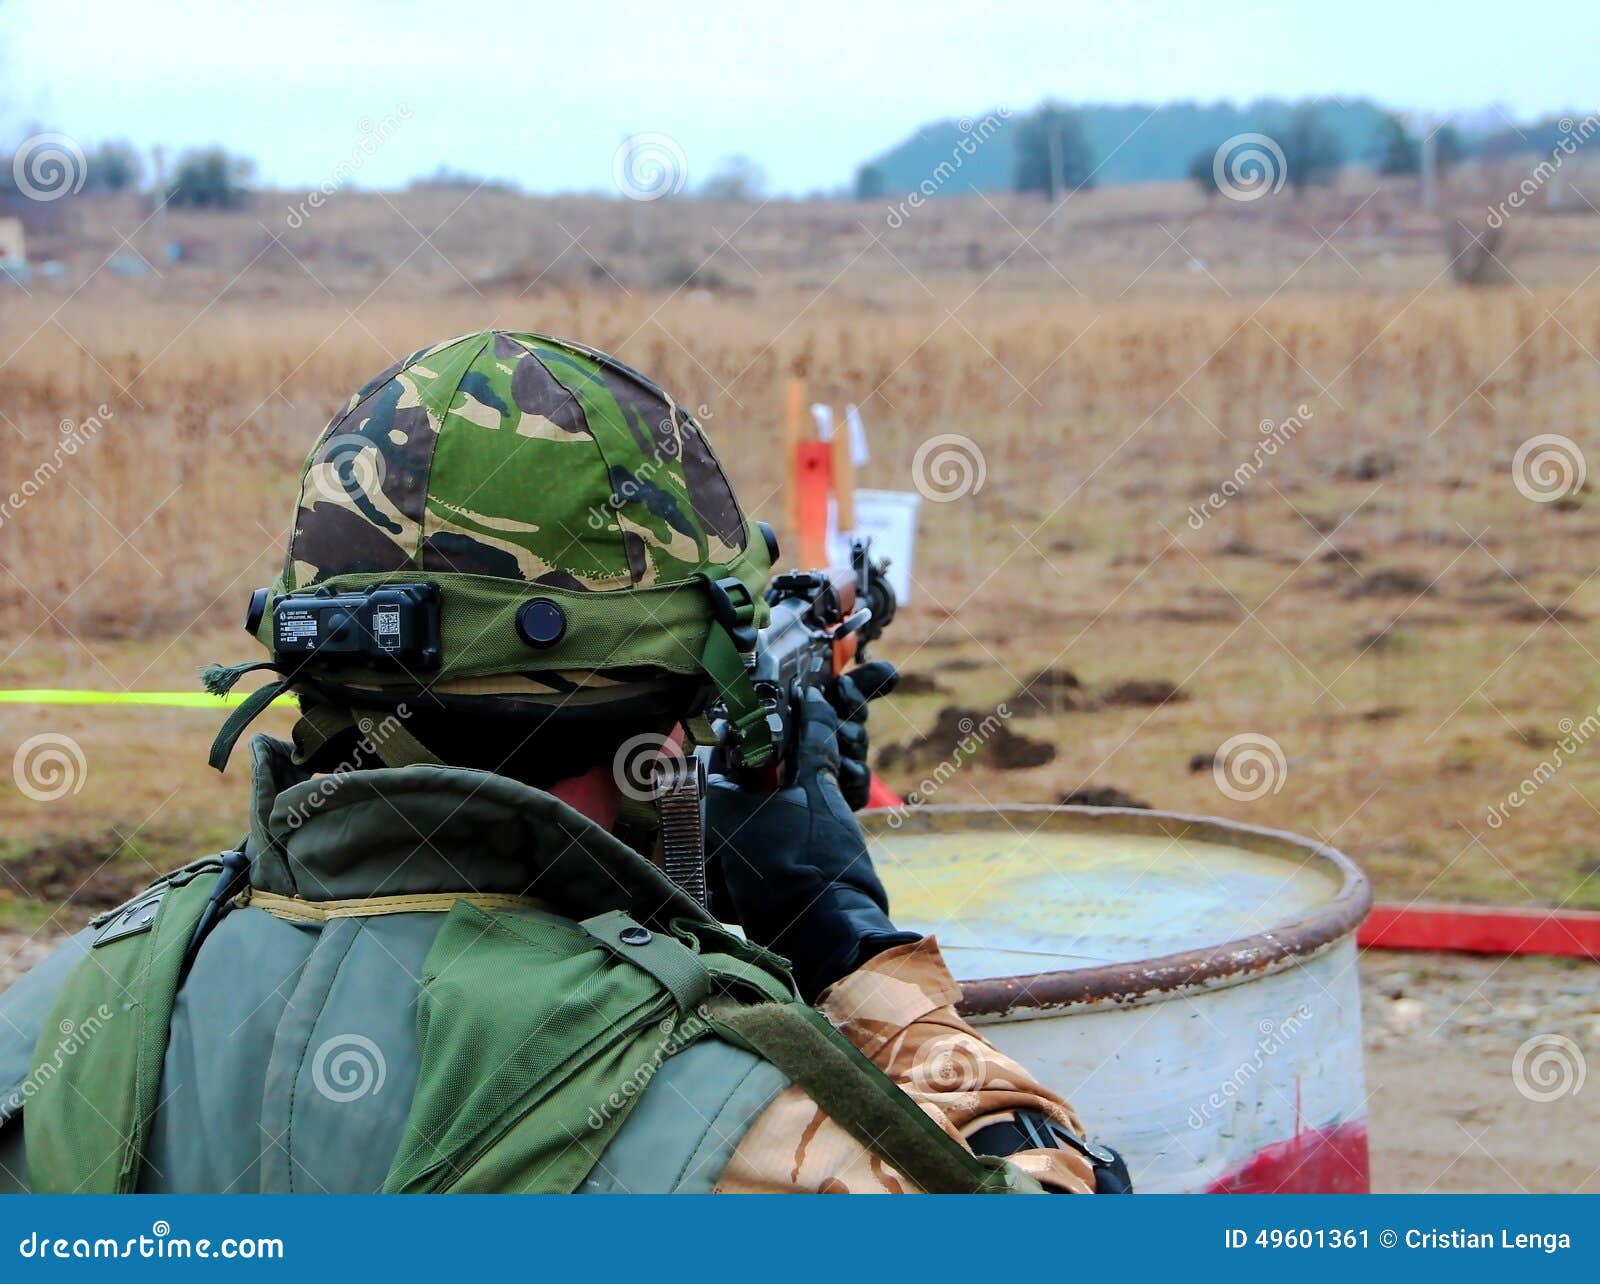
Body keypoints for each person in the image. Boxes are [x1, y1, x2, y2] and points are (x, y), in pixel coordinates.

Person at [0, 331, 1126, 1195]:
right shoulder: (730, 1121)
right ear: (680, 703)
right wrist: (843, 939)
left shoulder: (72, 1009)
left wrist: (664, 869)